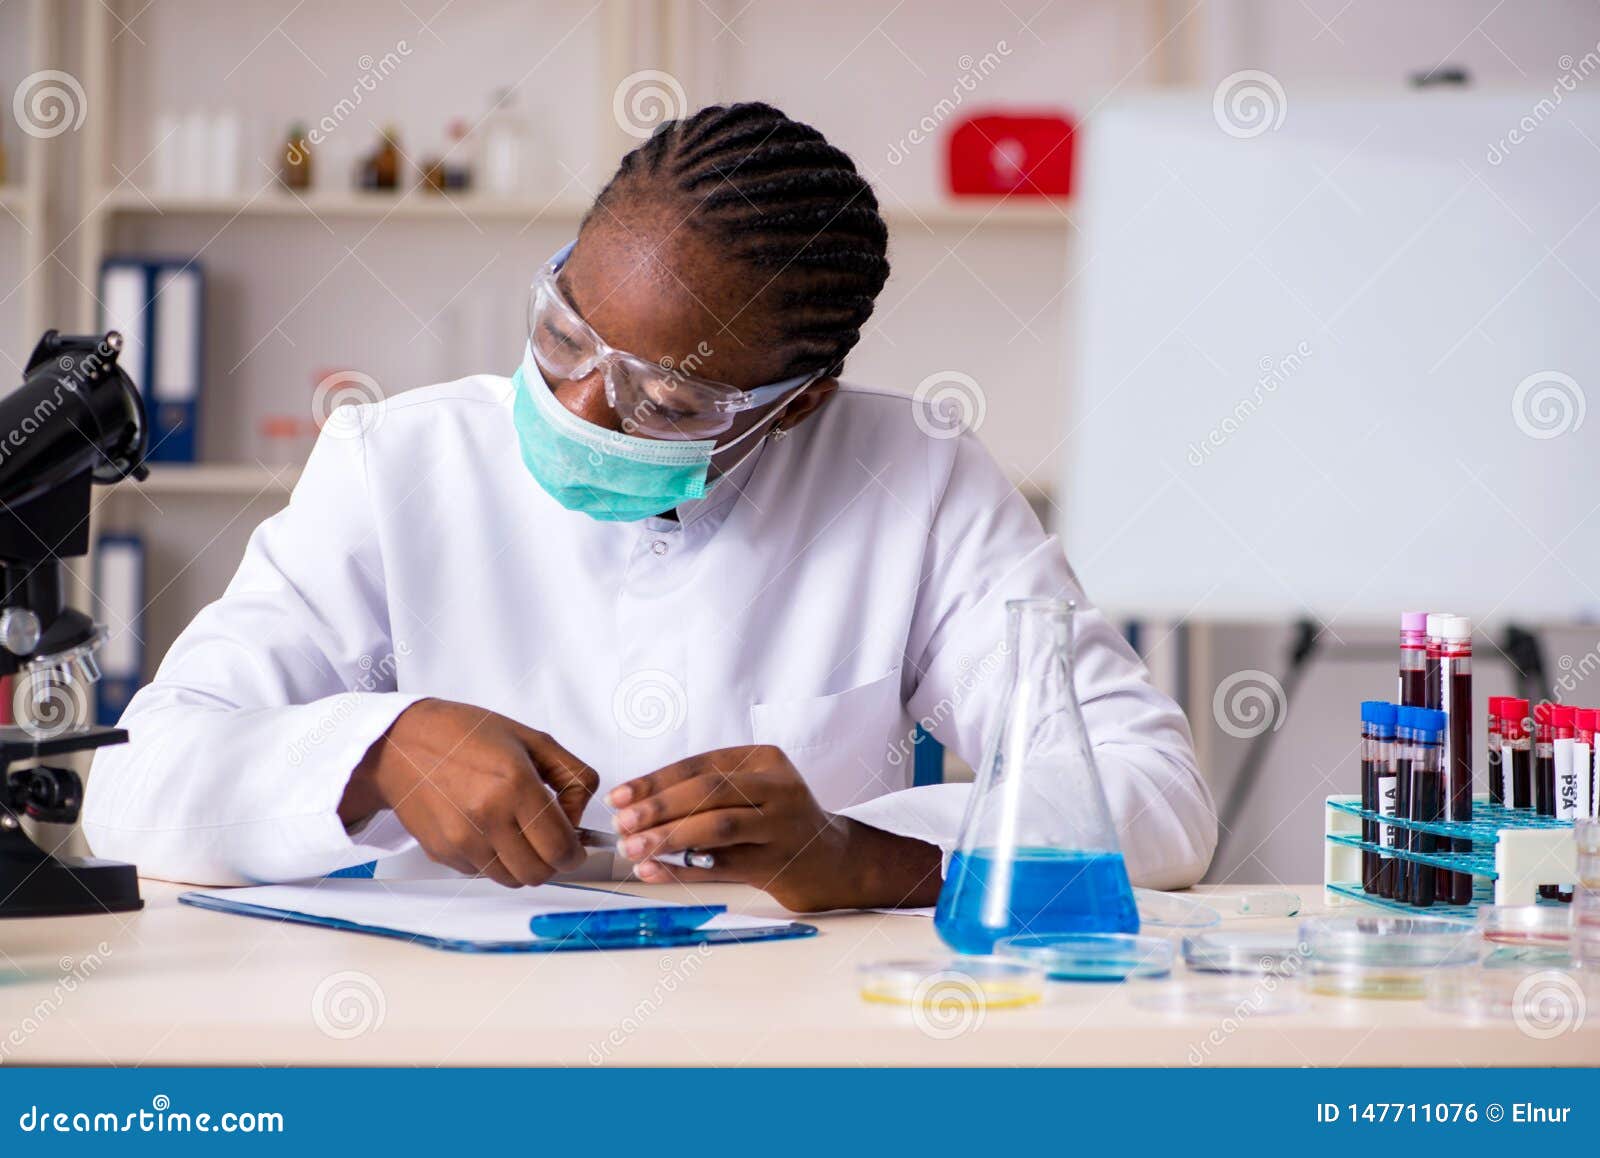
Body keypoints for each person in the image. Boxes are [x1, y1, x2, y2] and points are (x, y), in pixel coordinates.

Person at [84, 102, 1215, 911]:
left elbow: (1154, 795)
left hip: (793, 1048)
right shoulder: (397, 461)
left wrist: (864, 857)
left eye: (668, 399)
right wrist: (376, 753)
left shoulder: (909, 473)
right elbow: (134, 786)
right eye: (565, 335)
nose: (581, 407)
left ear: (799, 402)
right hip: (443, 1038)